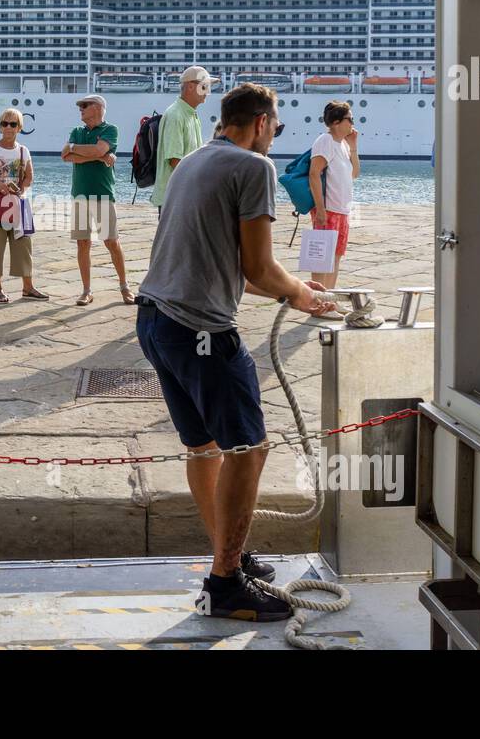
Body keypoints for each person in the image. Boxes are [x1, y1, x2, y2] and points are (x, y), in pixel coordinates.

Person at [135, 83, 334, 622]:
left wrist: (286, 287)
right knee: (250, 448)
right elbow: (259, 270)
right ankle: (225, 582)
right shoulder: (255, 169)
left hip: (154, 319)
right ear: (264, 123)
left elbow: (222, 260)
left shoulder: (194, 161)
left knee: (203, 447)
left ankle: (233, 556)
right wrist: (305, 293)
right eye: (276, 129)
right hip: (200, 329)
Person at [61, 94, 132, 306]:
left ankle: (124, 286)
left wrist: (80, 150)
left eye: (85, 105)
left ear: (99, 108)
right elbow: (65, 156)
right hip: (79, 194)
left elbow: (97, 149)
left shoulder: (110, 130)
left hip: (103, 193)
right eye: (80, 106)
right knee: (83, 243)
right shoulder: (77, 131)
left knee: (111, 241)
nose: (80, 109)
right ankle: (86, 290)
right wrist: (100, 156)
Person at [0, 108, 48, 303]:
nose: (8, 127)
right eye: (4, 123)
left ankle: (28, 287)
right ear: (0, 126)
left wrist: (22, 189)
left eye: (13, 124)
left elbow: (29, 176)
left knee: (24, 245)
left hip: (18, 203)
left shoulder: (23, 151)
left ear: (20, 127)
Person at [307, 100, 360, 306]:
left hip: (342, 209)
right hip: (328, 208)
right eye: (350, 119)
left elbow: (354, 174)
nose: (353, 124)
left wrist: (354, 147)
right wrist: (320, 209)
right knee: (322, 259)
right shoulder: (325, 140)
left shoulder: (344, 145)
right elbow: (314, 173)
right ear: (337, 122)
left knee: (336, 256)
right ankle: (318, 302)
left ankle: (330, 301)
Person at [150, 64, 218, 210]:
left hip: (185, 195)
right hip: (176, 198)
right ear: (190, 87)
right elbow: (175, 160)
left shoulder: (190, 113)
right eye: (204, 86)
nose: (208, 92)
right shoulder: (176, 115)